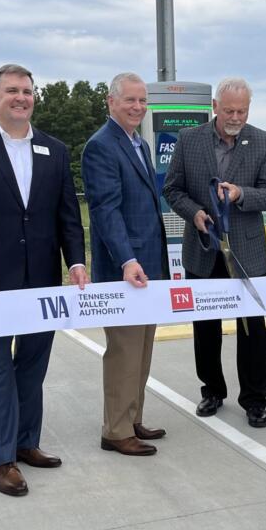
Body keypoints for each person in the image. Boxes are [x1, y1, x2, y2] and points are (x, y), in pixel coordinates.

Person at [0, 64, 88, 497]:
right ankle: (3, 459)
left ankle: (27, 441)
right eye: (12, 91)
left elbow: (67, 214)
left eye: (27, 91)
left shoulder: (54, 150)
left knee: (33, 361)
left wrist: (76, 261)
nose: (21, 97)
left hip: (42, 275)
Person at [163, 77, 266, 428]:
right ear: (215, 107)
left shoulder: (264, 141)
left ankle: (255, 400)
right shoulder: (189, 139)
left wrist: (241, 194)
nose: (235, 118)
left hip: (247, 252)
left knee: (252, 329)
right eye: (229, 111)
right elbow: (172, 189)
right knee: (205, 327)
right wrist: (195, 214)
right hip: (203, 250)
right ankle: (212, 390)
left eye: (242, 111)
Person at [80, 72, 168, 456]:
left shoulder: (139, 144)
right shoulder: (101, 146)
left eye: (142, 101)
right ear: (111, 101)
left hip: (147, 267)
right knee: (124, 352)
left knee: (142, 350)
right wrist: (127, 260)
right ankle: (116, 431)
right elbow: (106, 210)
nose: (137, 107)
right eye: (130, 100)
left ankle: (132, 418)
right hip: (125, 270)